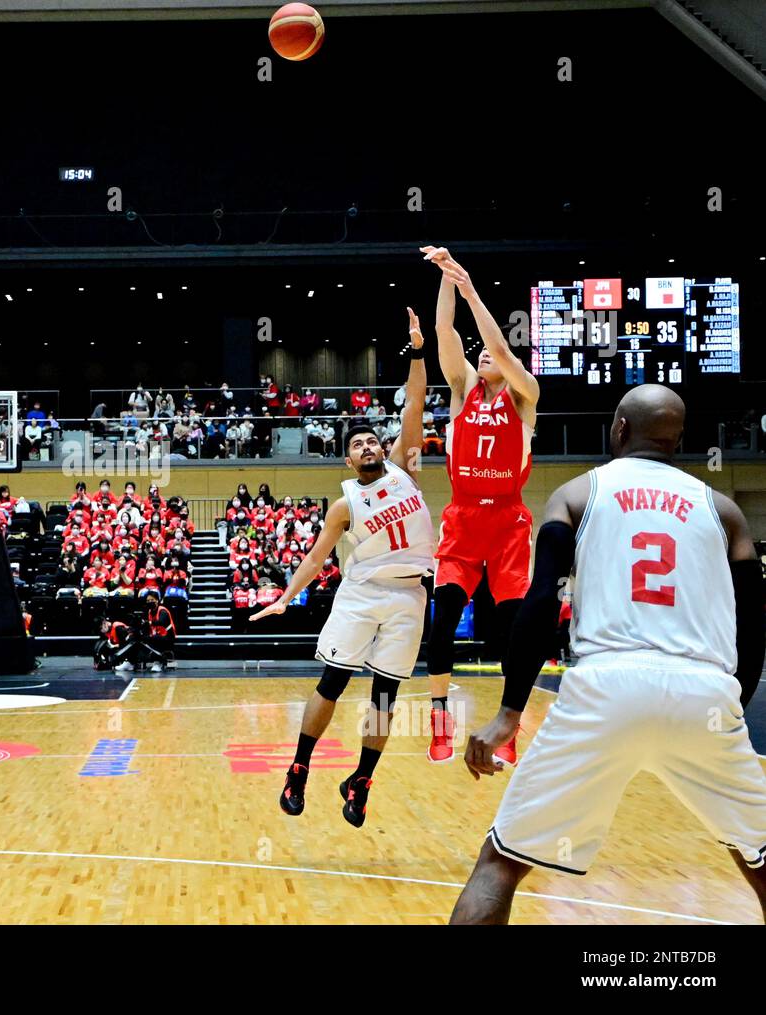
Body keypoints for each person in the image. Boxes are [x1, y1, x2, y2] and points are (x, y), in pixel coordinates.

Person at [450, 385, 766, 924]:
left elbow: (541, 601)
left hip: (605, 686)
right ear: (678, 438)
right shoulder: (725, 510)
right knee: (760, 860)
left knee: (499, 865)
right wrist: (731, 705)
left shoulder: (577, 494)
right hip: (703, 690)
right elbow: (753, 625)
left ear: (619, 429)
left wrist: (510, 712)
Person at [250, 309, 434, 828]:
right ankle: (299, 767)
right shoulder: (345, 503)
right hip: (362, 593)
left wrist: (417, 349)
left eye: (372, 440)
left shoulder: (405, 470)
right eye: (357, 445)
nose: (368, 446)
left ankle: (361, 779)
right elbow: (314, 557)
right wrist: (286, 597)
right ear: (348, 463)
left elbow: (414, 401)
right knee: (332, 682)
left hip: (411, 596)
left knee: (385, 695)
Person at [421, 245, 540, 765]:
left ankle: (508, 727)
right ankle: (441, 719)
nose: (485, 354)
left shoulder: (524, 393)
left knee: (512, 626)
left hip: (508, 518)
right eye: (482, 353)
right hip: (464, 516)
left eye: (492, 353)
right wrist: (448, 277)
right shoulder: (464, 387)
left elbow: (501, 348)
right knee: (443, 616)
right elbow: (447, 335)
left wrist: (472, 288)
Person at [142, 589, 176, 672]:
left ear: (157, 600)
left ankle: (158, 662)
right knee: (145, 638)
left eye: (152, 600)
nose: (150, 602)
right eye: (148, 600)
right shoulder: (150, 611)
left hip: (168, 636)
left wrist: (148, 623)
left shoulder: (162, 610)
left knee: (154, 639)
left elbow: (161, 622)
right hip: (158, 635)